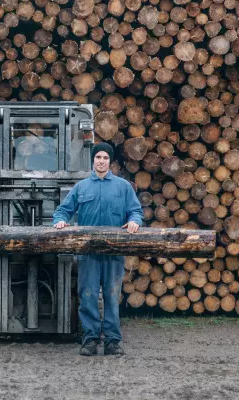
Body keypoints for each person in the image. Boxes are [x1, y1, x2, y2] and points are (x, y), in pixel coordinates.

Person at [52, 142, 143, 356]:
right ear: (93, 160)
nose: (101, 161)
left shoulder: (123, 187)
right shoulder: (81, 187)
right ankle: (90, 339)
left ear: (110, 162)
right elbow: (62, 211)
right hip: (88, 253)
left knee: (112, 296)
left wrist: (134, 221)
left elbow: (136, 212)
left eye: (104, 158)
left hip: (113, 252)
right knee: (88, 295)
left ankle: (112, 341)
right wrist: (60, 221)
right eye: (98, 157)